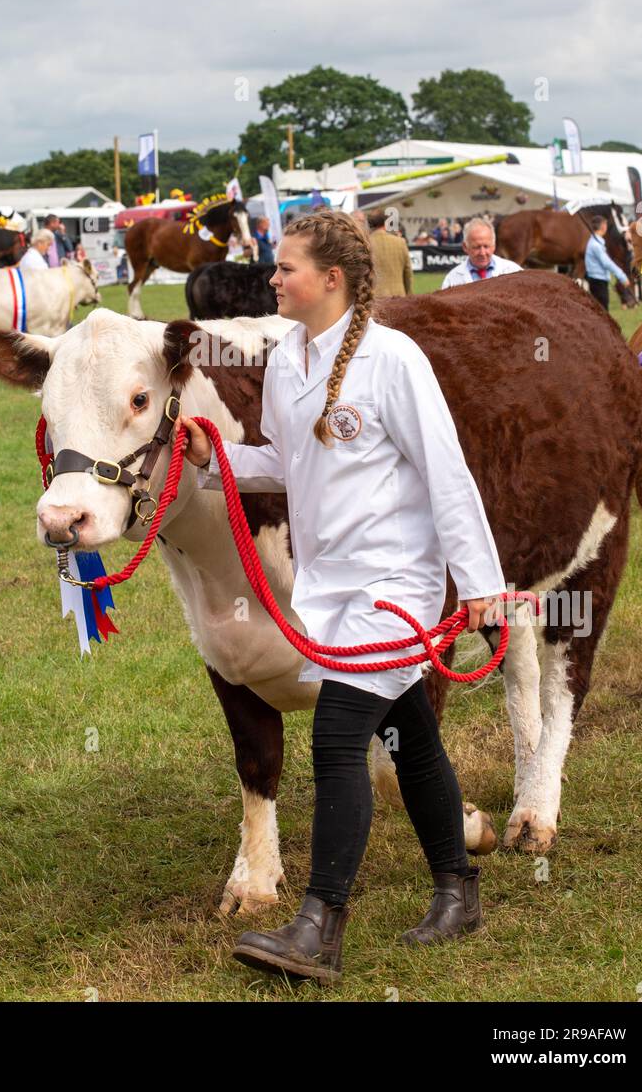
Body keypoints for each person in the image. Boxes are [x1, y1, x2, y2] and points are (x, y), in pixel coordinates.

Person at [177, 210, 506, 983]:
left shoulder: (394, 359)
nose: (273, 278)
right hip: (329, 588)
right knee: (410, 737)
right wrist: (216, 453)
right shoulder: (289, 360)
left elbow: (447, 474)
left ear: (331, 279)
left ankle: (318, 926)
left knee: (336, 740)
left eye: (286, 267)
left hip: (395, 590)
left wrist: (483, 586)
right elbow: (286, 465)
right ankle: (458, 889)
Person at [441, 218, 523, 288]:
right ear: (465, 247)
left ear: (494, 246)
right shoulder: (452, 279)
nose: (482, 253)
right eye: (476, 247)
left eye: (486, 246)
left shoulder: (514, 271)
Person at [584, 214, 629, 311]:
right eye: (605, 224)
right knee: (602, 310)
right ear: (603, 226)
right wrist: (622, 276)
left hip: (597, 280)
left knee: (600, 310)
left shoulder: (595, 242)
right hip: (598, 281)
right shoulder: (596, 245)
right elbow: (607, 263)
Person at [368, 209, 413, 297]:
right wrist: (408, 294)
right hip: (398, 296)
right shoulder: (400, 242)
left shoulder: (366, 244)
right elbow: (408, 273)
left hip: (374, 297)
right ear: (386, 222)